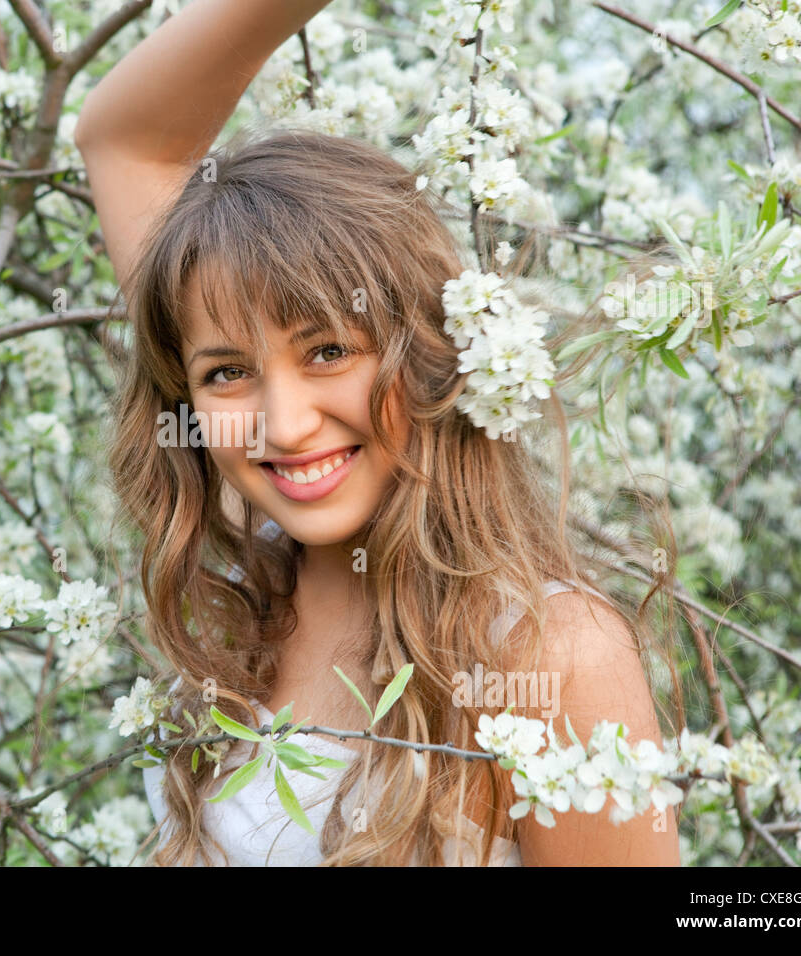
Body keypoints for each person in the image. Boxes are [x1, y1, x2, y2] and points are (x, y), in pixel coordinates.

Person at [75, 0, 682, 866]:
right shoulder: (253, 580)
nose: (285, 427)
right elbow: (123, 141)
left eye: (329, 351)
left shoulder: (551, 654)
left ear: (431, 351)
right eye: (227, 372)